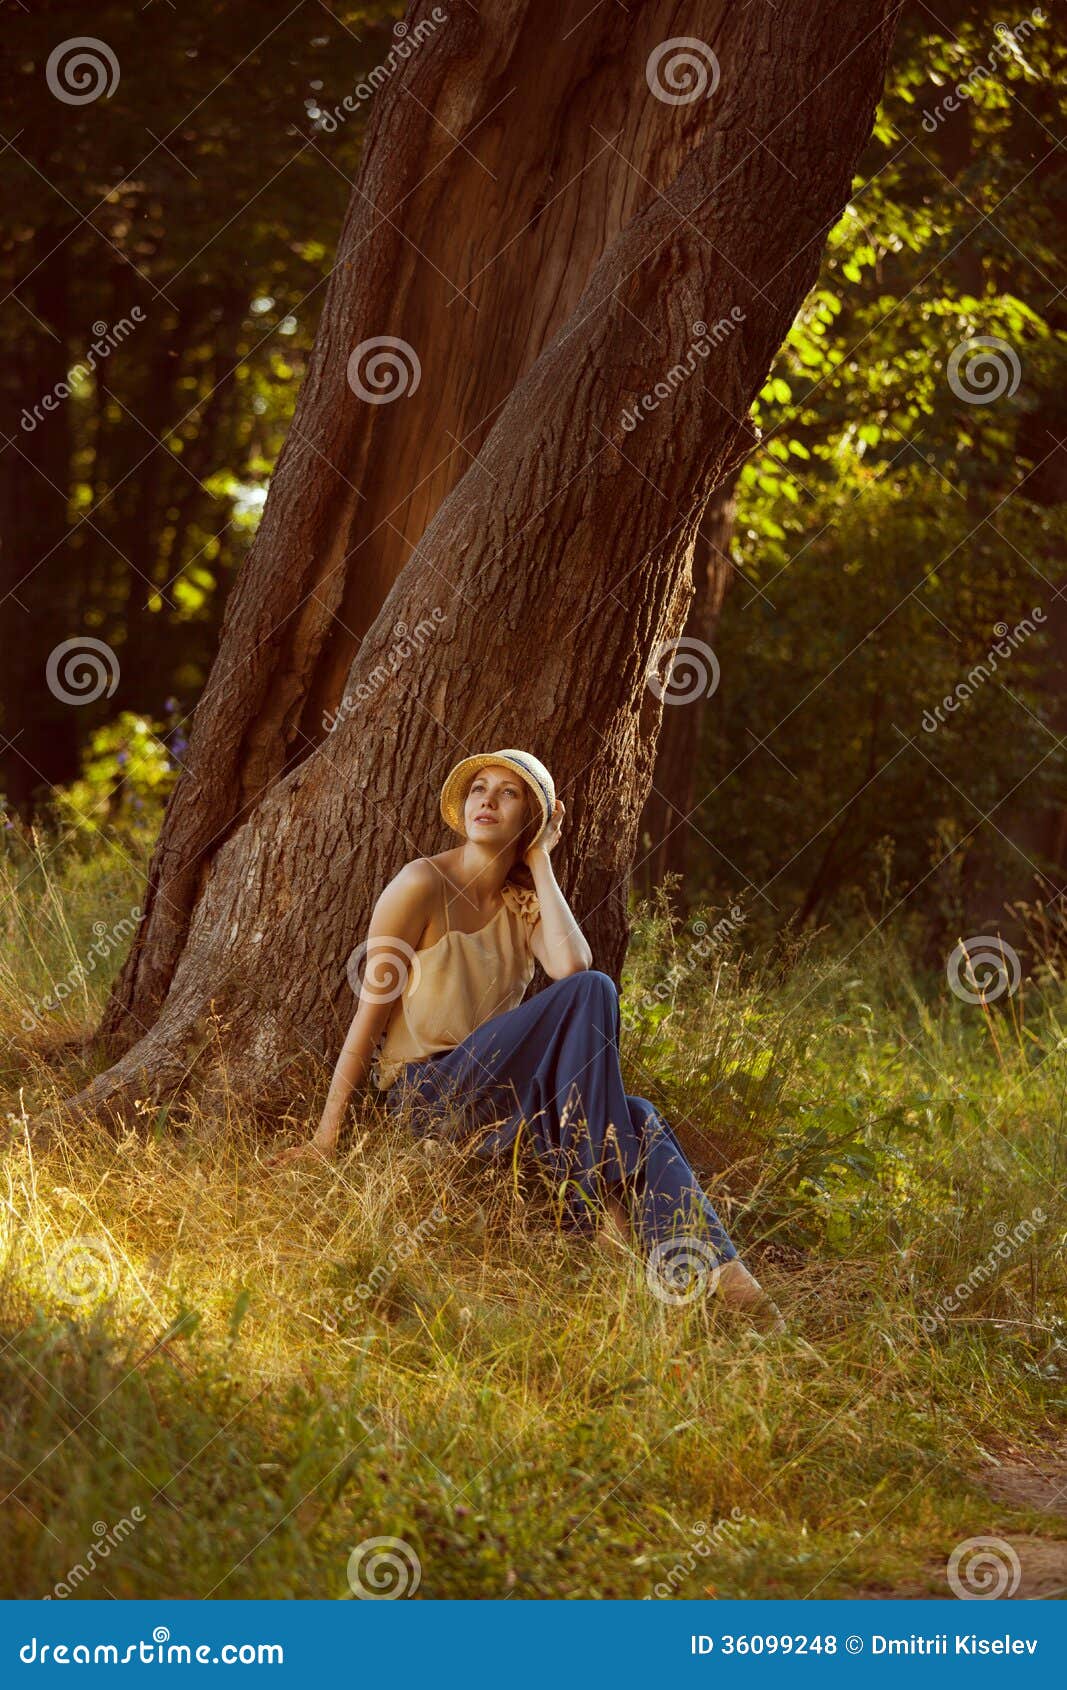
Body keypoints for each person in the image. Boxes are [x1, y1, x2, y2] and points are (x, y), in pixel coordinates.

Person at [273, 747, 786, 1333]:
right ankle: (598, 1218)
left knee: (637, 1112)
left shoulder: (523, 905)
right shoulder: (420, 883)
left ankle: (732, 1288)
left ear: (531, 819)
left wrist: (540, 861)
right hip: (425, 1094)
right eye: (478, 789)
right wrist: (326, 1136)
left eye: (507, 793)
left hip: (504, 1100)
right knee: (598, 1003)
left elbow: (571, 963)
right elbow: (367, 1019)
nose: (486, 800)